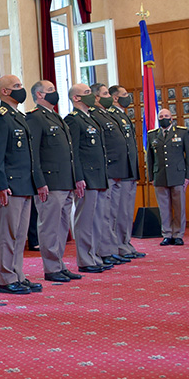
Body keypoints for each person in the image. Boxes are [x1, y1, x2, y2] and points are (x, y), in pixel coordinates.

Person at [26, 80, 85, 283]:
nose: (55, 93)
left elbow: (69, 153)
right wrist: (39, 181)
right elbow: (32, 152)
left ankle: (59, 264)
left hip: (65, 181)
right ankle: (51, 267)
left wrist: (75, 178)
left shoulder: (55, 116)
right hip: (50, 182)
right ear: (39, 95)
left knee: (61, 227)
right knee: (49, 226)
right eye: (50, 90)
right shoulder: (35, 118)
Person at [0, 74, 41, 294]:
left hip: (24, 184)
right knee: (7, 235)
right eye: (16, 86)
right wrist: (0, 184)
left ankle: (17, 274)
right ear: (4, 92)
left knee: (20, 235)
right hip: (10, 186)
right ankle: (6, 277)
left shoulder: (17, 116)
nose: (21, 89)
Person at [64, 83, 109, 274]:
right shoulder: (73, 120)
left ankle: (94, 255)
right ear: (76, 98)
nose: (92, 97)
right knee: (85, 219)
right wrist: (78, 177)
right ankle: (84, 258)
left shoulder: (91, 118)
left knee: (97, 218)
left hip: (98, 175)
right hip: (86, 177)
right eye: (87, 94)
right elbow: (73, 152)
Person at [91, 83, 137, 265]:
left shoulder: (108, 115)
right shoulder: (96, 116)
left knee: (119, 212)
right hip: (109, 170)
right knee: (107, 215)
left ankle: (117, 246)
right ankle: (108, 249)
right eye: (104, 94)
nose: (107, 96)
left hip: (122, 170)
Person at [106, 85, 144, 259]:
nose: (128, 98)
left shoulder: (123, 115)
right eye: (125, 95)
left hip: (129, 170)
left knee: (127, 211)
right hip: (119, 170)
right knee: (117, 211)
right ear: (115, 98)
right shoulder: (111, 114)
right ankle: (118, 245)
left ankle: (125, 242)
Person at [146, 108, 189, 245]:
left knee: (179, 207)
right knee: (164, 208)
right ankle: (167, 234)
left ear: (172, 118)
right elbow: (149, 157)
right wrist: (151, 176)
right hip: (160, 175)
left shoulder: (182, 132)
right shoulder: (152, 135)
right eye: (161, 116)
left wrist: (188, 176)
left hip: (178, 175)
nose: (163, 118)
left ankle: (178, 234)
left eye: (166, 116)